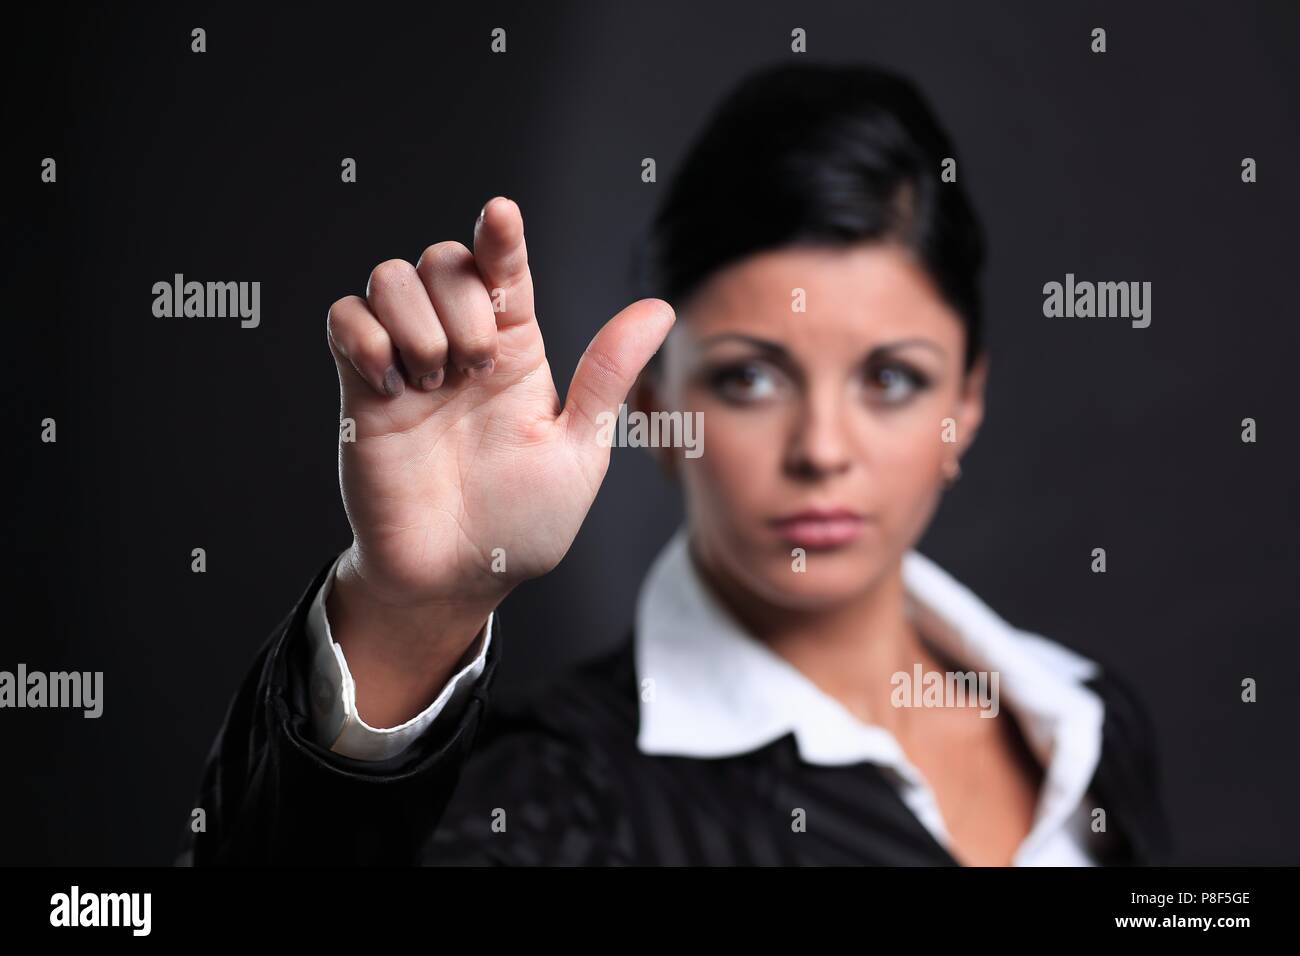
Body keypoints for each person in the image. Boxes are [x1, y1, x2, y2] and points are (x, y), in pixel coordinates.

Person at [180, 62, 1172, 866]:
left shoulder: (1082, 714)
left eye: (892, 379)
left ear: (966, 399)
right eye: (749, 379)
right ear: (653, 407)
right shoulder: (559, 796)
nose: (822, 450)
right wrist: (413, 609)